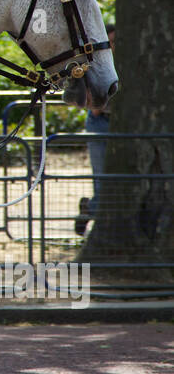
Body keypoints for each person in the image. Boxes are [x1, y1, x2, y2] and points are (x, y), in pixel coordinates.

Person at [75, 24, 116, 236]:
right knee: (101, 175)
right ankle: (92, 215)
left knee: (117, 176)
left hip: (118, 124)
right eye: (110, 43)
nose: (114, 46)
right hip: (101, 122)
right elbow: (92, 103)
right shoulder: (97, 66)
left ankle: (89, 210)